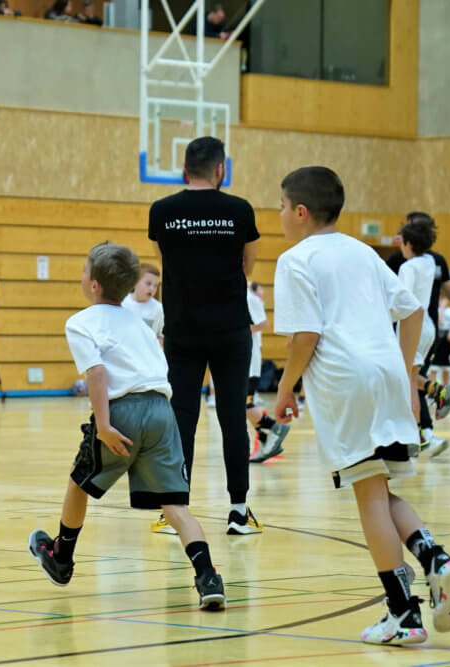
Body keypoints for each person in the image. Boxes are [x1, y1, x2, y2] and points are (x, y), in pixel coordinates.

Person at [272, 166, 450, 645]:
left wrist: (285, 388)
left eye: (281, 207)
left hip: (345, 380)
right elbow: (413, 310)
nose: (279, 215)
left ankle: (403, 613)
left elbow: (306, 336)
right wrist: (406, 374)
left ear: (300, 212)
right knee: (378, 489)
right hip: (385, 373)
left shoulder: (295, 259)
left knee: (368, 497)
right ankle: (435, 557)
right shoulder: (362, 251)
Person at [28, 242, 227, 611]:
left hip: (124, 410)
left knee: (79, 482)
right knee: (175, 507)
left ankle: (61, 558)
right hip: (162, 410)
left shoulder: (81, 322)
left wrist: (103, 424)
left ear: (94, 285)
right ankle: (208, 577)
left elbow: (96, 373)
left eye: (84, 271)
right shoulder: (139, 323)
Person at [148, 136, 262, 536]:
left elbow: (165, 258)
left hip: (182, 329)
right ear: (221, 169)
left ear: (184, 170)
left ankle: (174, 510)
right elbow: (248, 266)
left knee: (181, 418)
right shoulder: (240, 210)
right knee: (233, 417)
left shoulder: (162, 210)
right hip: (231, 328)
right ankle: (238, 511)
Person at [385, 213, 450, 453]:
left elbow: (401, 301)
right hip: (429, 325)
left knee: (406, 382)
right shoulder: (430, 262)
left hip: (411, 326)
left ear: (409, 243)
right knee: (411, 378)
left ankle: (414, 434)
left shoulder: (407, 267)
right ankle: (424, 417)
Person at [246, 282, 289, 463]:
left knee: (243, 404)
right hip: (239, 359)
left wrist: (237, 331)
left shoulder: (249, 298)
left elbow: (263, 323)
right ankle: (265, 440)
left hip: (249, 360)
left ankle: (274, 428)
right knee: (241, 405)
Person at [121, 263, 164, 341]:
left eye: (155, 285)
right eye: (148, 284)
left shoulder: (159, 308)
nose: (152, 288)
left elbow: (161, 336)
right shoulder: (122, 303)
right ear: (135, 282)